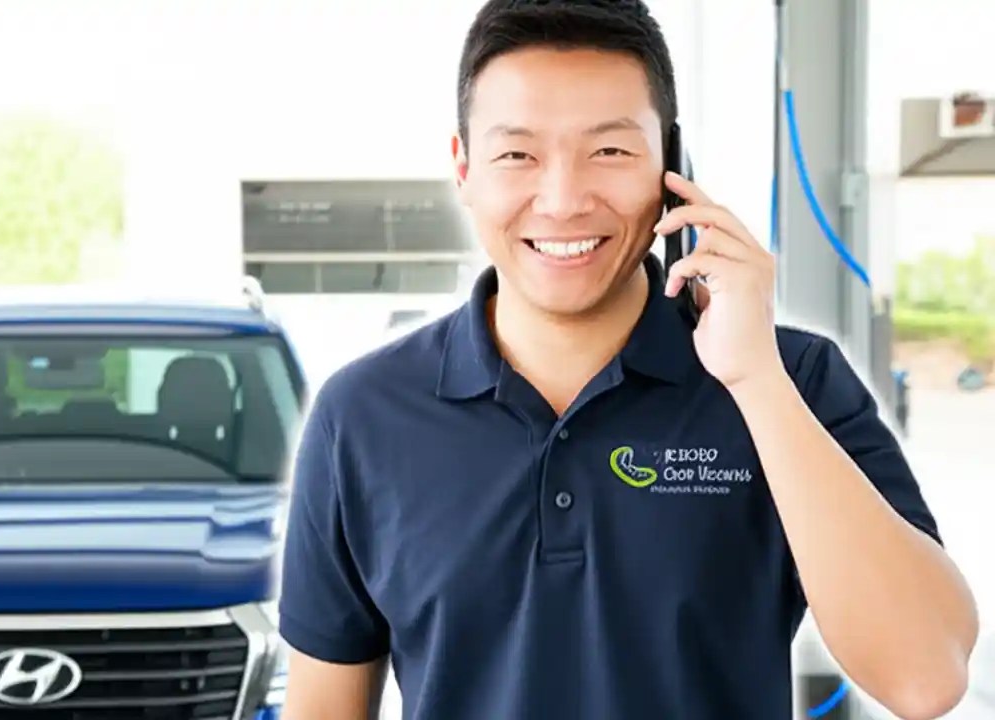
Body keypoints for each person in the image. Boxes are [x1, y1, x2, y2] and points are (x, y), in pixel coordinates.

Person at [277, 1, 979, 718]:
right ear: (463, 167)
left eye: (609, 151)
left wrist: (754, 380)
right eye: (517, 154)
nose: (562, 201)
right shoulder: (361, 416)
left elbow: (925, 679)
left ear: (670, 165)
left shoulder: (792, 380)